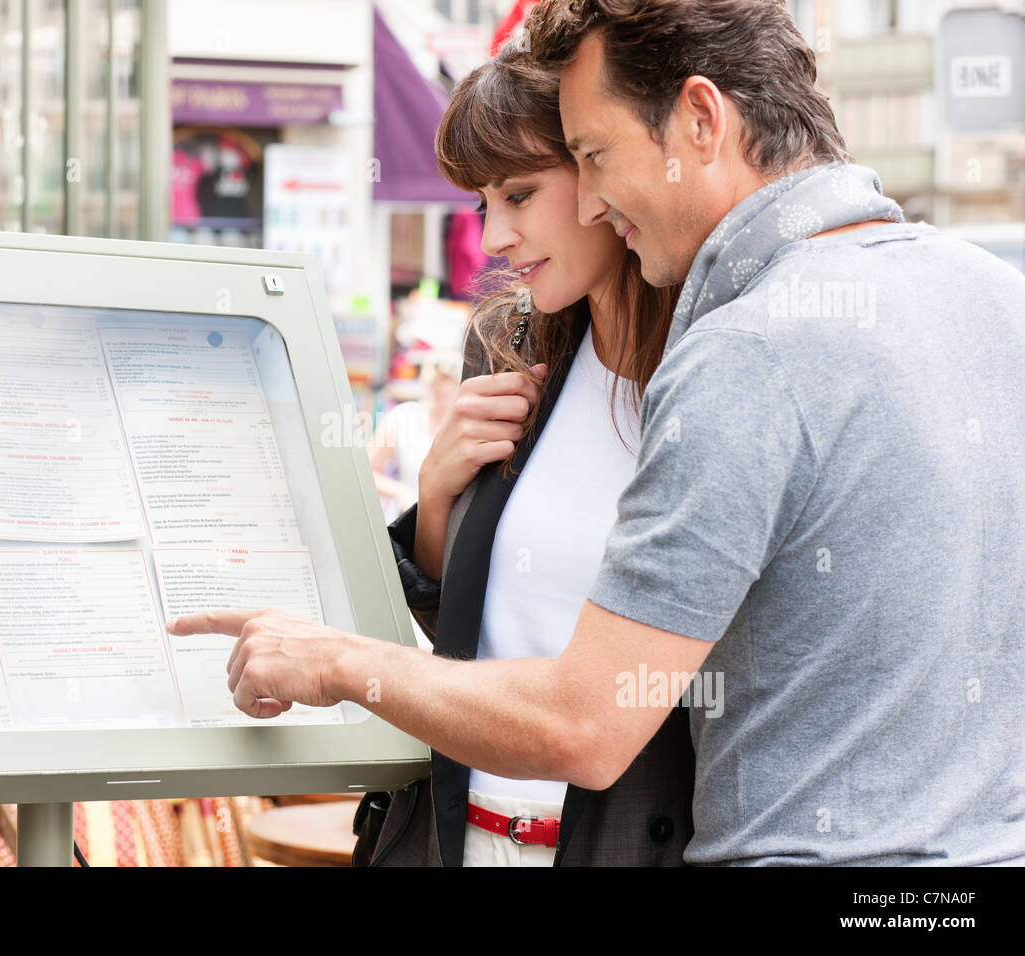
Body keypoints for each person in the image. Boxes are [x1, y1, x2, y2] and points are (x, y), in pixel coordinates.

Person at [170, 0, 1025, 866]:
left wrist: (341, 662)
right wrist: (433, 506)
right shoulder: (993, 297)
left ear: (700, 118)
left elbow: (588, 721)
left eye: (591, 156)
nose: (590, 198)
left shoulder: (741, 351)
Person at [366, 353, 462, 521]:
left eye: (449, 393)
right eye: (437, 392)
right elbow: (368, 472)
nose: (443, 401)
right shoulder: (402, 417)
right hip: (408, 519)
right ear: (427, 386)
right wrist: (401, 491)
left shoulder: (464, 424)